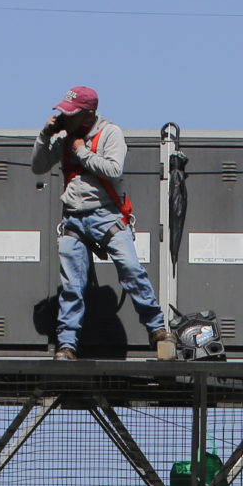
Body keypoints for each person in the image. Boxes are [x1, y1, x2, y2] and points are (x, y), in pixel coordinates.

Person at [31, 85, 173, 362]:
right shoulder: (63, 136)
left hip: (106, 215)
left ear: (88, 114)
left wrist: (82, 152)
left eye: (70, 113)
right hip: (73, 217)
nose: (64, 117)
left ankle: (157, 329)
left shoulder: (110, 133)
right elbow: (37, 166)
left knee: (131, 269)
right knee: (72, 285)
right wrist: (44, 135)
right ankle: (67, 346)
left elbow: (114, 169)